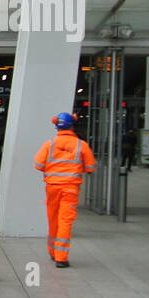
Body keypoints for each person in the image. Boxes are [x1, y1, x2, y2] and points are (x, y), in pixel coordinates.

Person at [34, 112, 96, 268]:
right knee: (65, 221)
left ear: (57, 126)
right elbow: (90, 167)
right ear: (73, 126)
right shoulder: (82, 145)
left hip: (52, 187)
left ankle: (53, 252)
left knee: (53, 219)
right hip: (70, 188)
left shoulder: (50, 144)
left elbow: (38, 165)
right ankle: (61, 257)